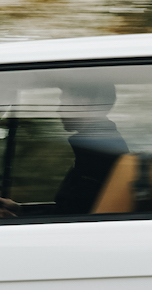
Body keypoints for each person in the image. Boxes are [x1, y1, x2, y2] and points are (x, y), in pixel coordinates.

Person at [52, 80, 129, 214]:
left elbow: (74, 212)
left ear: (83, 104)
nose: (58, 110)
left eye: (63, 103)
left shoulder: (96, 150)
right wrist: (22, 211)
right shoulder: (101, 142)